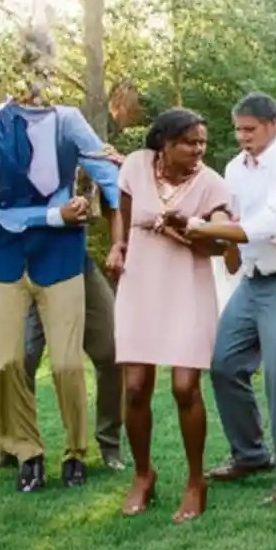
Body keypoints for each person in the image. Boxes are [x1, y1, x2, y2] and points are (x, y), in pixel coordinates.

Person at [0, 26, 124, 492]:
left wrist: (126, 178)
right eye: (30, 68)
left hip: (60, 259)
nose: (38, 79)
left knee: (69, 364)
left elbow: (108, 177)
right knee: (3, 365)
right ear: (10, 70)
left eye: (45, 69)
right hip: (0, 258)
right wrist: (55, 214)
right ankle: (25, 451)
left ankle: (77, 451)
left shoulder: (70, 121)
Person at [0, 164, 125, 472]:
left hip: (72, 265)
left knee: (110, 350)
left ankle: (109, 445)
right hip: (17, 272)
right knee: (17, 361)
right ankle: (13, 445)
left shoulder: (64, 141)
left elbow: (103, 195)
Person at [181, 92, 276, 504]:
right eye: (237, 129)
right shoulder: (234, 168)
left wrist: (205, 229)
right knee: (224, 364)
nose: (241, 137)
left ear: (272, 124)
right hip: (251, 280)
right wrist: (221, 235)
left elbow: (274, 221)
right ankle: (251, 454)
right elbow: (233, 217)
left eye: (249, 129)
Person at [108, 108, 230, 522]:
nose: (198, 150)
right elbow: (120, 212)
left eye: (202, 143)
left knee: (184, 388)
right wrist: (118, 246)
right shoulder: (136, 166)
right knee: (137, 386)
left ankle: (196, 483)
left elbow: (220, 246)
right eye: (189, 142)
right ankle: (143, 476)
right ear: (165, 143)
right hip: (141, 283)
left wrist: (190, 227)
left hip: (186, 285)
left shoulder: (212, 184)